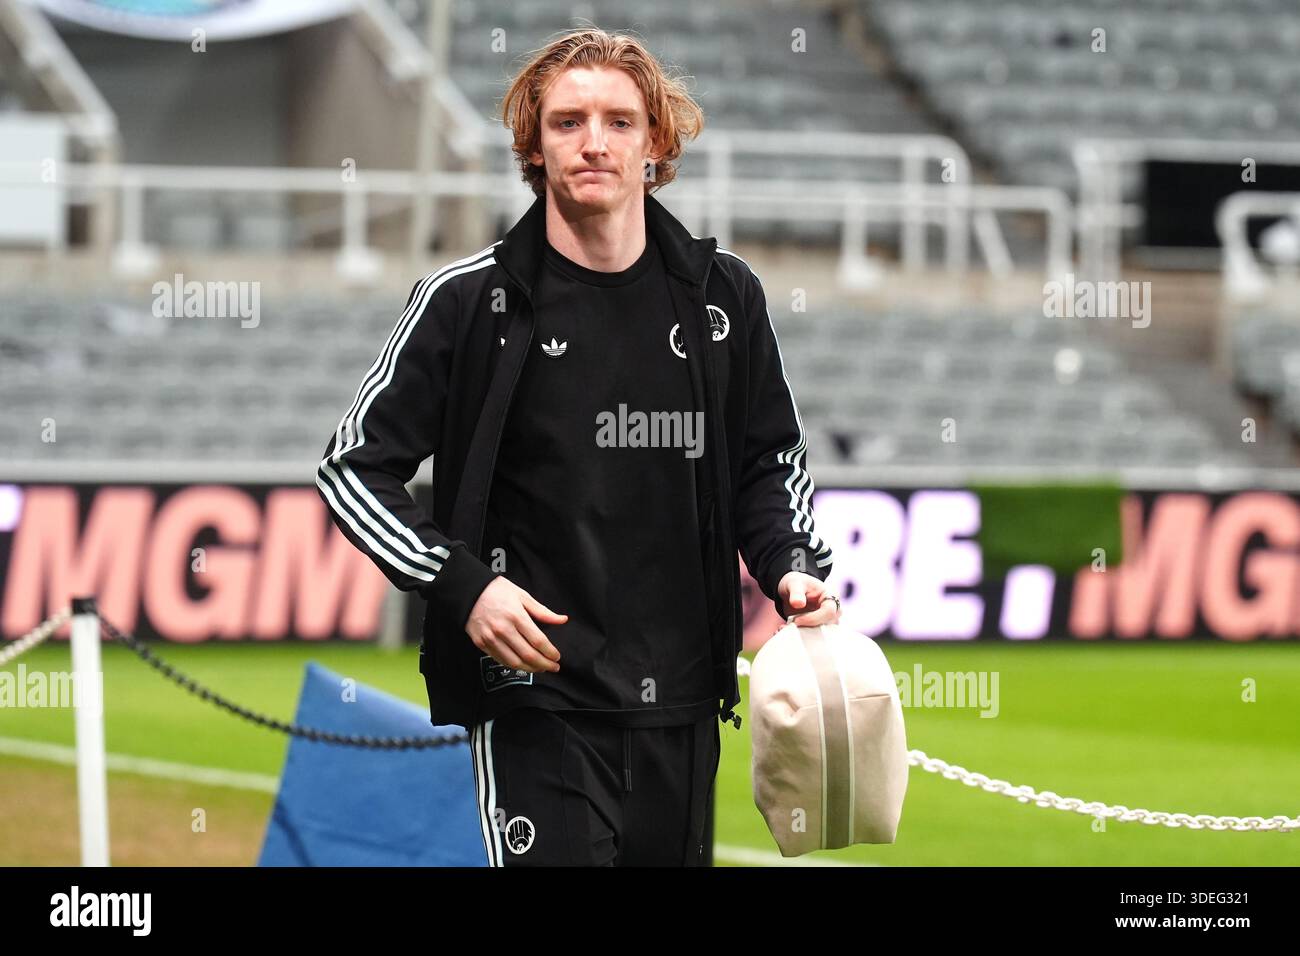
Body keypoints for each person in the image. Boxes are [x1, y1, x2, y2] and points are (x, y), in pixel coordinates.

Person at [316, 28, 839, 866]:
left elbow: (768, 461)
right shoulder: (467, 302)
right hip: (535, 705)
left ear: (656, 142)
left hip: (681, 703)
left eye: (619, 121)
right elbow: (351, 468)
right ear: (533, 142)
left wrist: (791, 564)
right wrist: (463, 587)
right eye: (567, 122)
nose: (593, 142)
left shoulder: (723, 297)